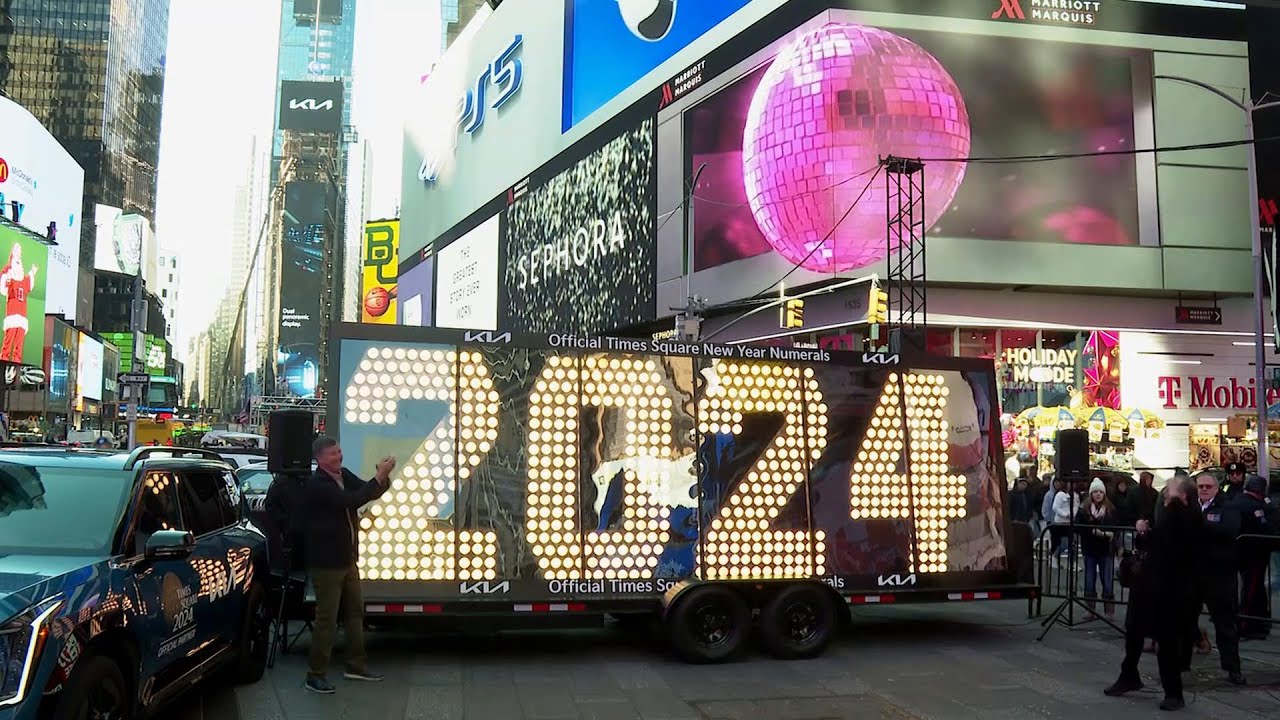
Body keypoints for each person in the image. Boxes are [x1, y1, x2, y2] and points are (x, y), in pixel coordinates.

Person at [301, 436, 395, 694]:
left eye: (339, 452)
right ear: (320, 459)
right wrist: (379, 477)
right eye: (332, 454)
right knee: (327, 620)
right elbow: (351, 502)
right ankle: (315, 674)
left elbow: (370, 491)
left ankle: (356, 665)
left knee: (355, 614)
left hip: (347, 559)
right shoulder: (318, 485)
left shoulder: (343, 475)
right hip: (327, 563)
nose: (338, 457)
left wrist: (382, 477)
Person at [1105, 473, 1202, 711]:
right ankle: (1129, 675)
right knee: (1134, 631)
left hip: (1171, 587)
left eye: (1171, 490)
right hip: (1149, 582)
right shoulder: (1166, 512)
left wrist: (1145, 533)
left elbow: (1170, 544)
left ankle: (1174, 692)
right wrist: (1144, 533)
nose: (1166, 493)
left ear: (1185, 496)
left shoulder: (1186, 516)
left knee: (1167, 640)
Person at [1191, 471, 1245, 685]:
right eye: (1200, 486)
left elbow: (1229, 531)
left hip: (1219, 574)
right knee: (1185, 618)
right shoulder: (1191, 506)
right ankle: (1182, 662)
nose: (1203, 489)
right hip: (1194, 573)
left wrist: (1200, 526)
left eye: (1207, 486)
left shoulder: (1227, 506)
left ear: (1216, 487)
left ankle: (1233, 668)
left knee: (1225, 625)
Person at [1234, 475, 1275, 640]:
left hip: (1243, 553)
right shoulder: (1256, 505)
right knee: (1251, 589)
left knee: (1254, 588)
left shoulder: (1237, 500)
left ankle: (1259, 621)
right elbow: (1265, 527)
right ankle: (1246, 624)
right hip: (1254, 553)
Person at [1075, 478, 1116, 616]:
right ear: (1091, 494)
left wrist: (1106, 533)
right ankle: (1090, 609)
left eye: (1100, 492)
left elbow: (1115, 526)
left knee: (1107, 580)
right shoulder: (1083, 510)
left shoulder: (1110, 509)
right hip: (1090, 548)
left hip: (1105, 549)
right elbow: (1078, 527)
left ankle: (1109, 610)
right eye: (1095, 492)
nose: (1098, 494)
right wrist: (1091, 531)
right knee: (1089, 579)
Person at [0, 242, 36, 362]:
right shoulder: (10, 279)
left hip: (22, 316)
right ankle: (4, 362)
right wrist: (8, 276)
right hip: (12, 314)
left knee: (19, 344)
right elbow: (4, 287)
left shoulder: (23, 281)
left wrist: (32, 272)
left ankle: (16, 364)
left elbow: (29, 283)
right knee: (8, 341)